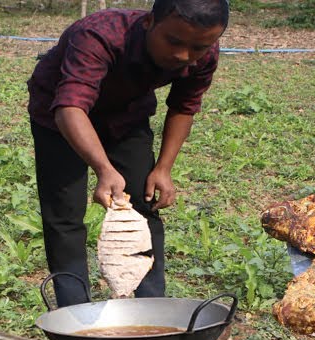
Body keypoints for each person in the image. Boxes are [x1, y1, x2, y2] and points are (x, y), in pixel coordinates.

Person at [27, 0, 228, 307]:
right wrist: (104, 169)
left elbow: (184, 107)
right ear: (149, 23)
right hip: (60, 117)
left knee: (144, 203)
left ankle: (151, 311)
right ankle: (75, 315)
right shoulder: (99, 35)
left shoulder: (204, 51)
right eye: (173, 41)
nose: (183, 55)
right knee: (64, 217)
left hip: (126, 117)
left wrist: (163, 168)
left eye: (198, 47)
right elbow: (70, 108)